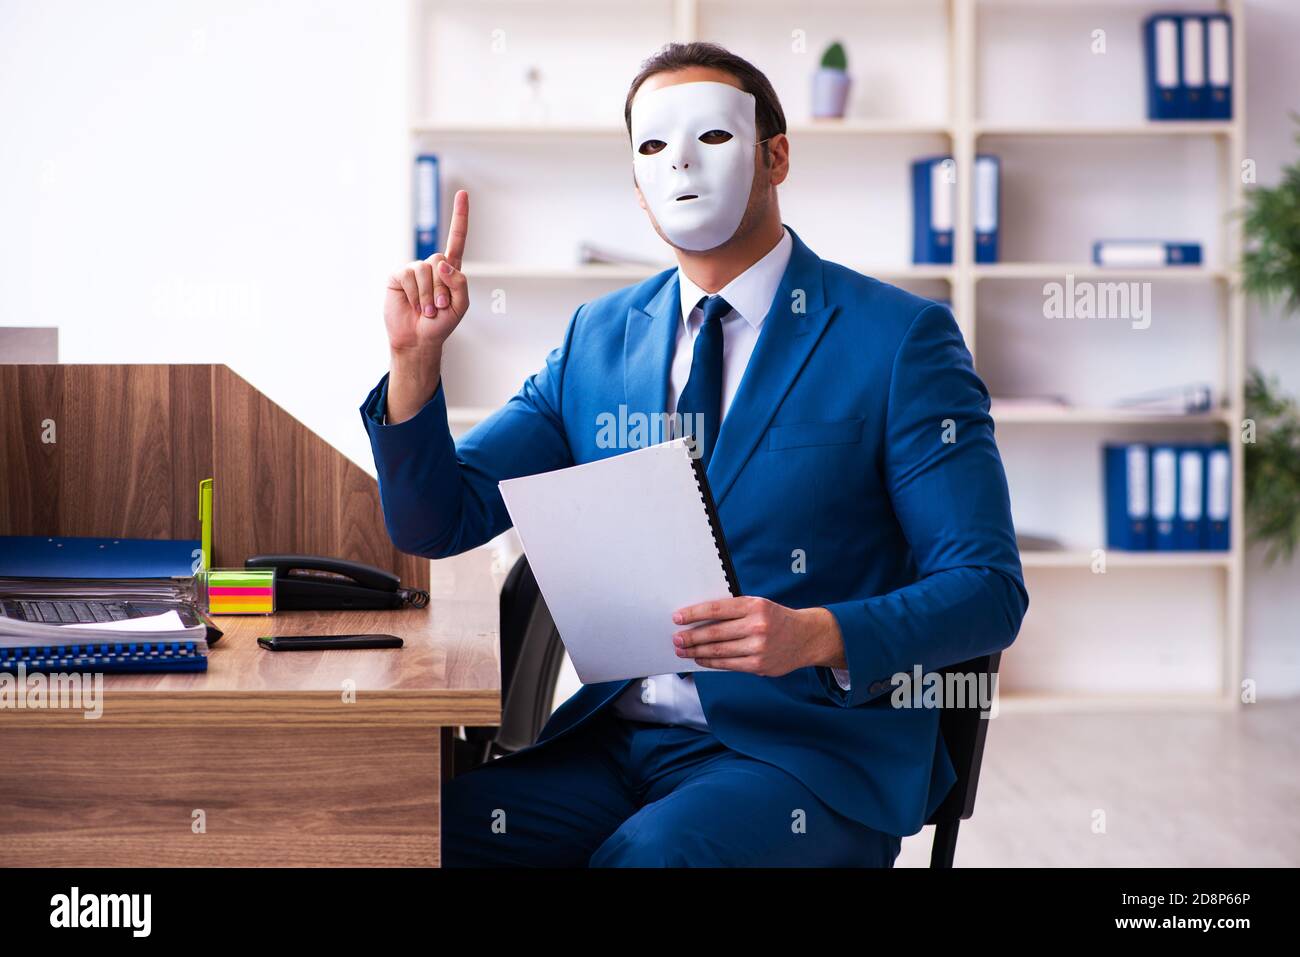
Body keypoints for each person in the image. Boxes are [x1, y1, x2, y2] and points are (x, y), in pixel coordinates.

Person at [360, 42, 1027, 867]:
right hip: (613, 746)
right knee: (397, 838)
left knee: (654, 860)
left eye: (711, 136)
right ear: (637, 191)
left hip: (804, 764)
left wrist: (818, 634)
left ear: (775, 155)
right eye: (651, 147)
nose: (678, 162)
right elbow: (437, 518)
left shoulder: (898, 341)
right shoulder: (597, 339)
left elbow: (988, 591)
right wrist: (415, 363)